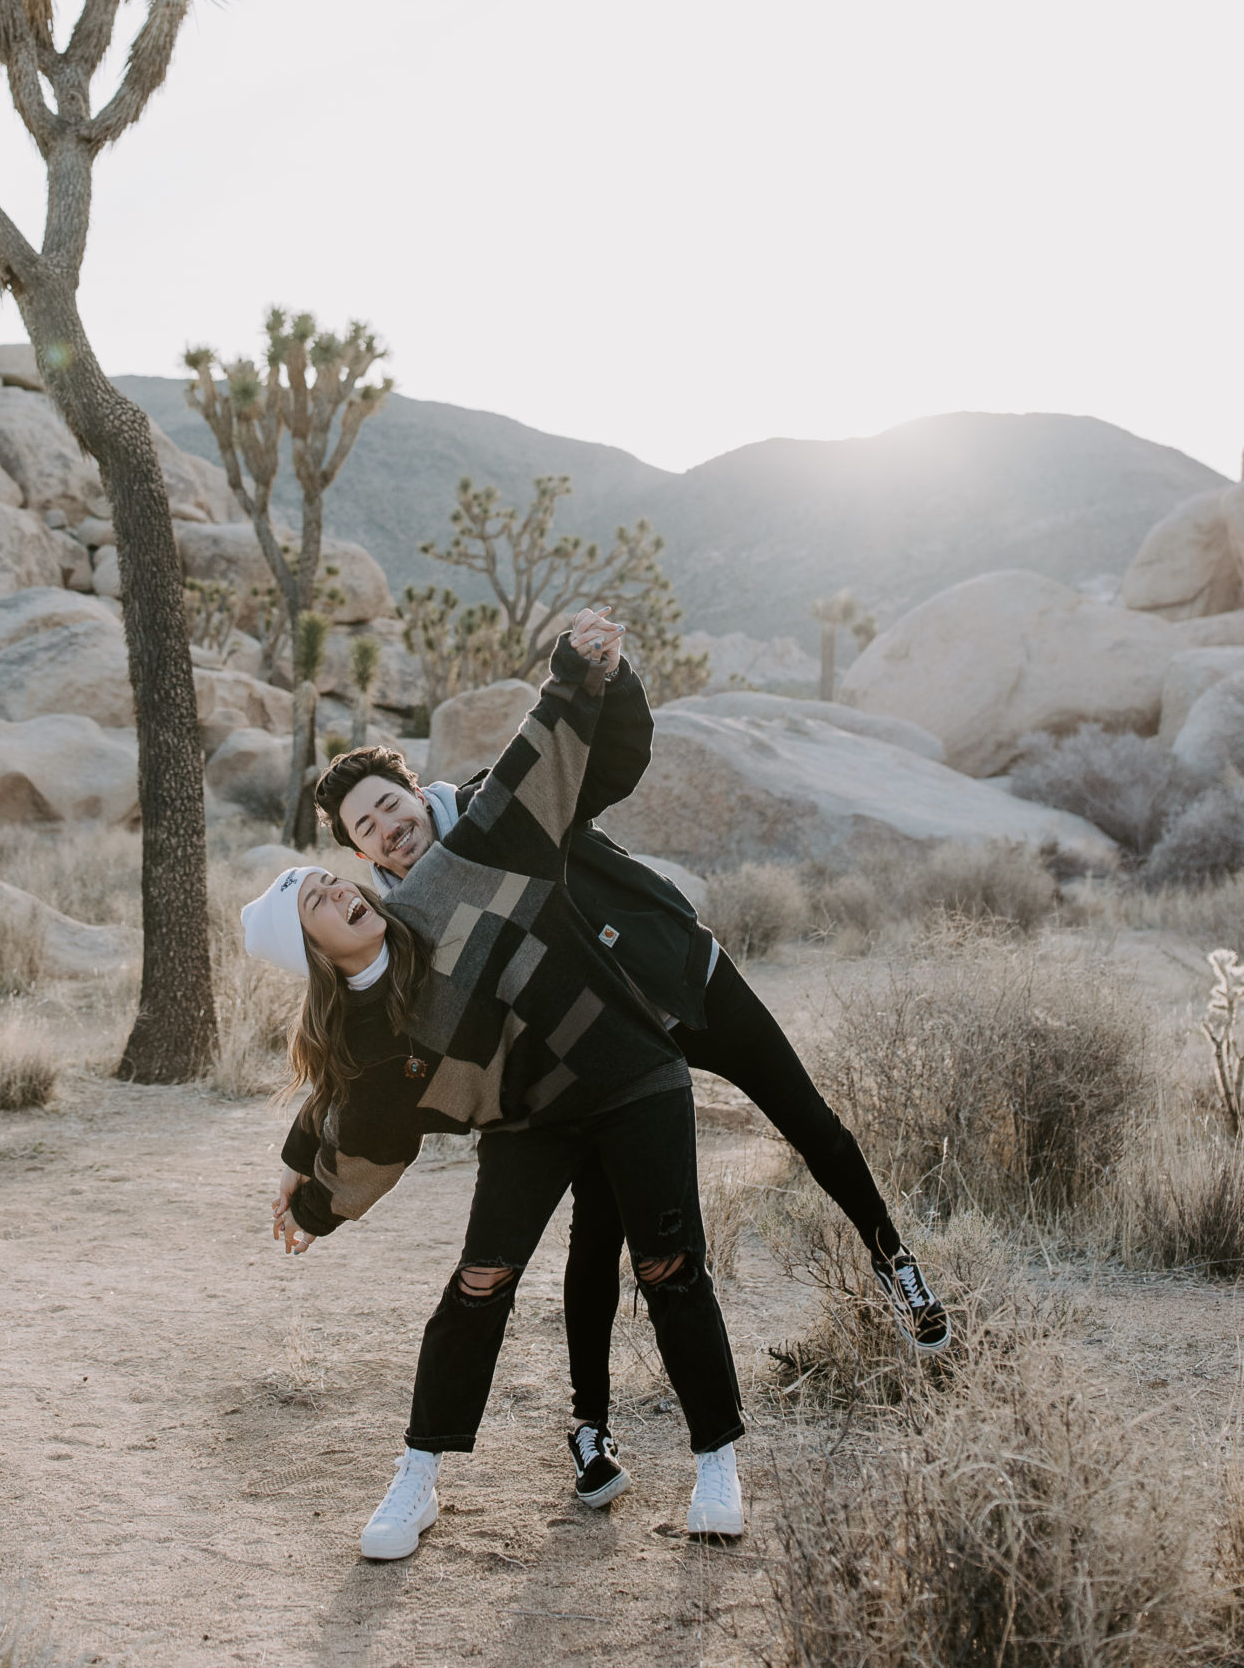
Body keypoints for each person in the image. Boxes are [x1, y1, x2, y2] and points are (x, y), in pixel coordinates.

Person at [300, 613, 949, 1510]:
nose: (387, 827)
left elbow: (614, 762)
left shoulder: (506, 803)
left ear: (416, 792)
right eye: (365, 827)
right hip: (604, 1055)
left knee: (809, 1122)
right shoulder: (411, 927)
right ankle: (590, 1427)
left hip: (684, 982)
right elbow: (373, 1049)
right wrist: (311, 1157)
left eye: (389, 804)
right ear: (360, 850)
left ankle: (895, 1264)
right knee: (596, 1235)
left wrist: (612, 673)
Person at [244, 612, 746, 1561]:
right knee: (480, 1282)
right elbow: (366, 1108)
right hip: (529, 1115)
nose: (362, 866)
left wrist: (572, 672)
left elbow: (526, 771)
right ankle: (417, 1476)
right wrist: (306, 1181)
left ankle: (716, 1460)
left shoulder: (468, 861)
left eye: (387, 811)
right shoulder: (390, 982)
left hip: (631, 1072)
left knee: (669, 1267)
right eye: (327, 887)